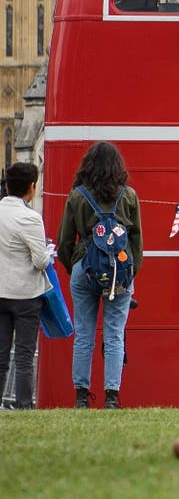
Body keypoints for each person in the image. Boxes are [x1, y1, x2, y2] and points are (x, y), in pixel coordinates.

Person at [57, 142, 143, 410]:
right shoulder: (129, 195)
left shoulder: (77, 195)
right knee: (114, 333)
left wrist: (76, 267)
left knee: (84, 334)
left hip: (85, 267)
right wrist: (131, 273)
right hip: (119, 270)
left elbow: (64, 242)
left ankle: (81, 396)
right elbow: (137, 241)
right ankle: (112, 397)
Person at [0, 162, 53, 410]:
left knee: (1, 356)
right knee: (23, 355)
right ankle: (23, 407)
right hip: (25, 296)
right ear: (31, 187)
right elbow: (40, 260)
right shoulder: (31, 218)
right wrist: (49, 252)